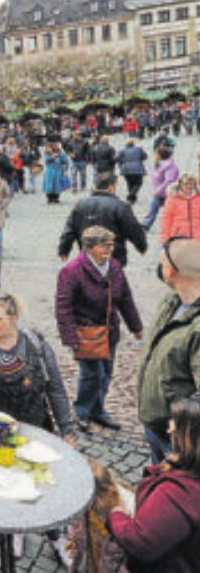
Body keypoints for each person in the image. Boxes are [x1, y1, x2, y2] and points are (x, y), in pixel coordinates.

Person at [0, 290, 74, 565]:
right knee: (5, 482)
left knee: (40, 484)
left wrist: (67, 430)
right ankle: (16, 529)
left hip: (34, 428)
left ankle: (56, 536)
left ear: (14, 317)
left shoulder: (36, 346)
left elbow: (55, 389)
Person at [55, 227, 143, 433]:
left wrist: (135, 326)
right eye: (104, 245)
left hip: (109, 331)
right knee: (92, 374)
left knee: (107, 373)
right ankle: (81, 412)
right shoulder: (71, 271)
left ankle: (97, 410)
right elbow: (63, 307)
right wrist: (70, 337)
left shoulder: (114, 267)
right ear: (89, 247)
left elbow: (126, 298)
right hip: (85, 333)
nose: (110, 249)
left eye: (111, 245)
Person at [107, 398, 200, 573]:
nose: (169, 429)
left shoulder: (178, 492)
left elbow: (139, 541)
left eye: (175, 423)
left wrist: (117, 516)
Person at [137, 238, 200, 463]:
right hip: (155, 426)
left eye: (162, 263)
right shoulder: (172, 302)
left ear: (172, 270)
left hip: (178, 437)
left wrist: (179, 423)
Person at [58, 173, 147, 267]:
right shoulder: (120, 206)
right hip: (114, 255)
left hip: (89, 253)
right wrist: (141, 246)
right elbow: (133, 229)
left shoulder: (80, 205)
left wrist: (64, 250)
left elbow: (69, 230)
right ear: (111, 187)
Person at [141, 146, 179, 231]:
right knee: (153, 208)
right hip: (159, 192)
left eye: (156, 154)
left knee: (171, 211)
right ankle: (146, 224)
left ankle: (175, 226)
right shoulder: (160, 164)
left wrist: (159, 190)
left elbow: (169, 181)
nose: (155, 155)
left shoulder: (170, 166)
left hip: (166, 192)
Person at [159, 173, 200, 244]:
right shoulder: (173, 198)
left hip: (197, 237)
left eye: (191, 184)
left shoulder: (198, 198)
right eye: (186, 184)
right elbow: (166, 218)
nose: (189, 186)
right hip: (178, 237)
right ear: (180, 184)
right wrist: (164, 238)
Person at [114, 139, 148, 204]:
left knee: (129, 183)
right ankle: (132, 194)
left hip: (126, 169)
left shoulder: (122, 150)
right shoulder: (139, 149)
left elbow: (115, 158)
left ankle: (132, 197)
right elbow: (145, 156)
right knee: (138, 183)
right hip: (137, 168)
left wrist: (121, 162)